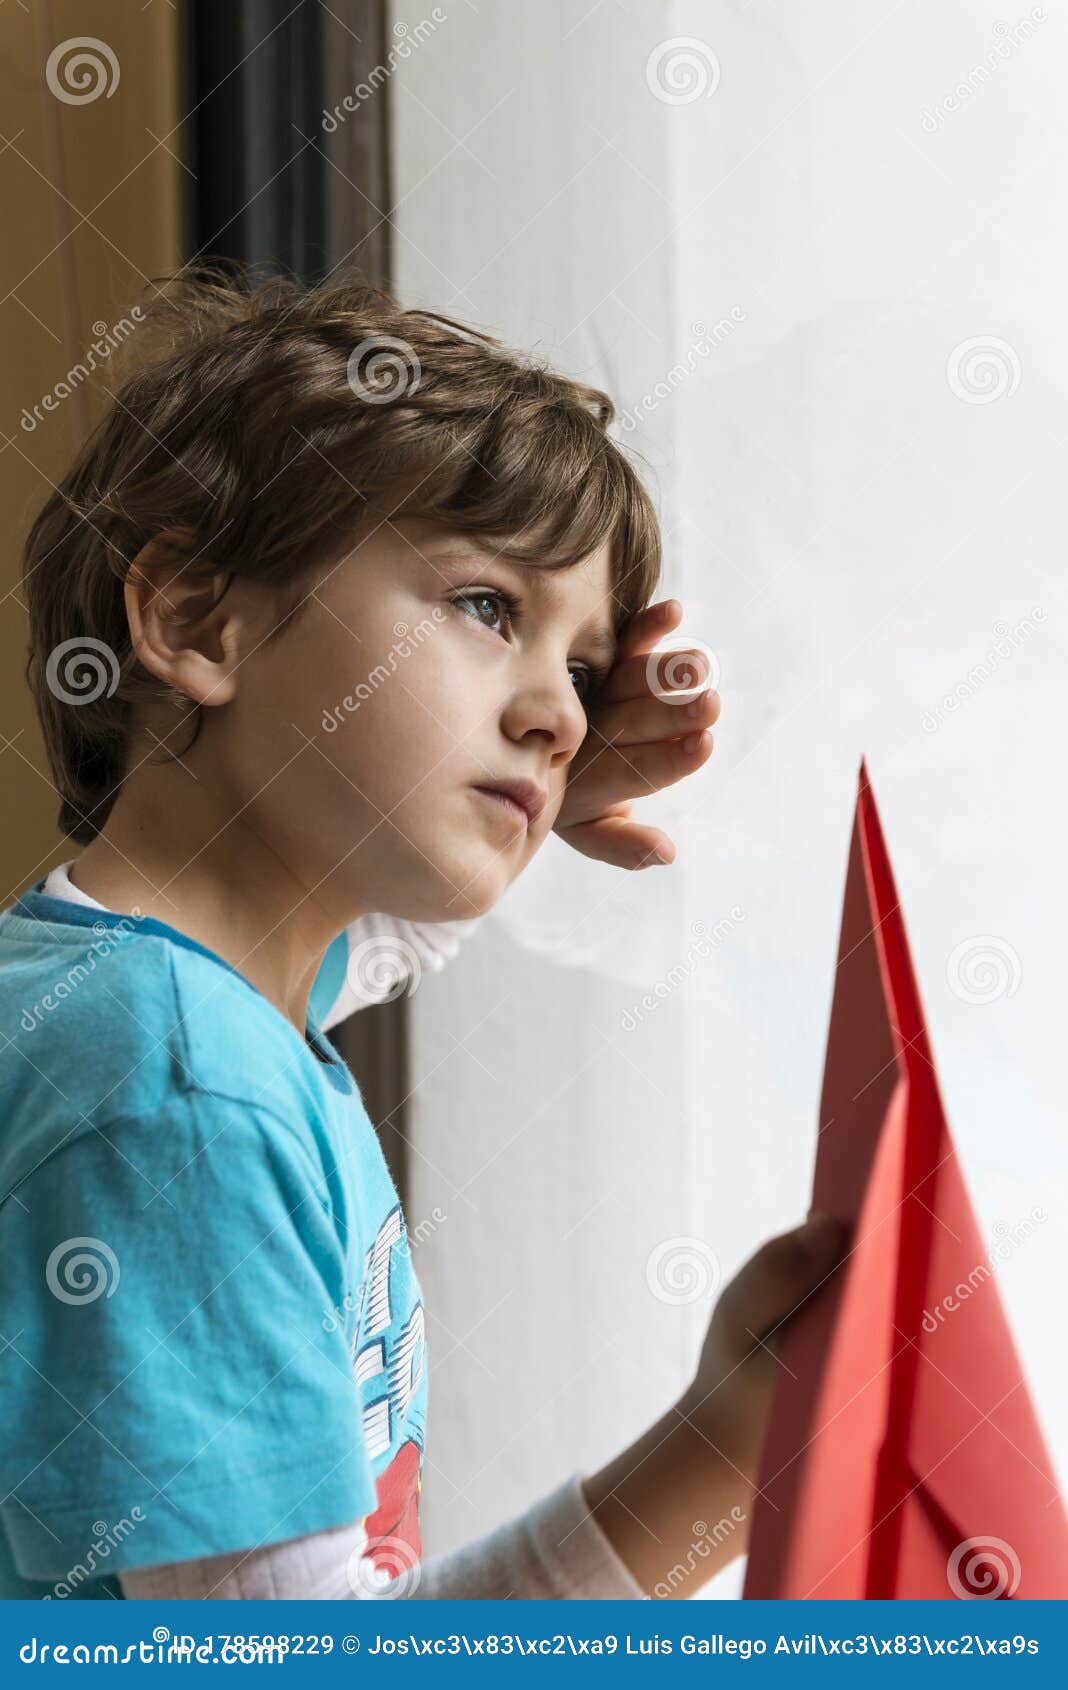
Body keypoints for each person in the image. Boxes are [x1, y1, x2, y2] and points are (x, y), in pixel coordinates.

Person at [0, 267, 844, 1601]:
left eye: (579, 669)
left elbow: (371, 947)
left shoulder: (127, 999)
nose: (562, 715)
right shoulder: (182, 1094)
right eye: (488, 608)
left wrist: (535, 795)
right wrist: (726, 1462)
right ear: (192, 619)